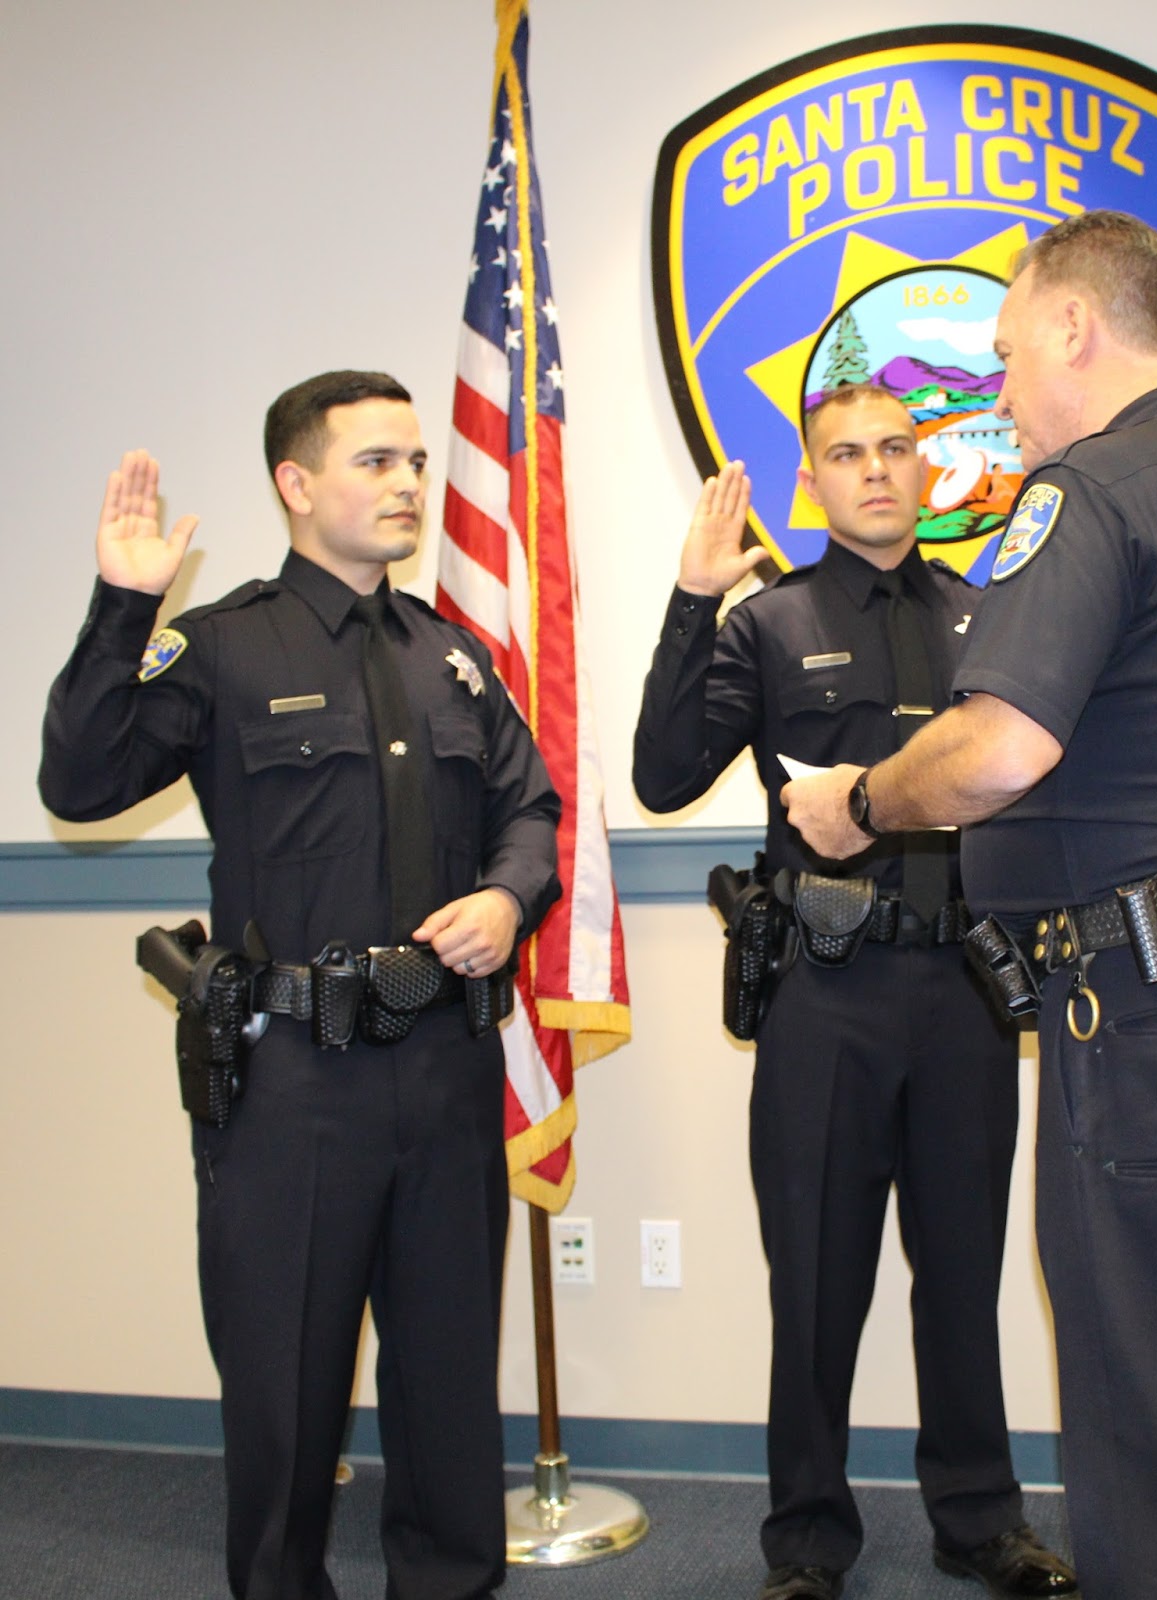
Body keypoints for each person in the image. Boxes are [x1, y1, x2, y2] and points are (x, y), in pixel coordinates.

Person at [782, 212, 1157, 1600]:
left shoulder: (1090, 491)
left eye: (1000, 352)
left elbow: (997, 750)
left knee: (1151, 1406)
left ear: (1073, 329)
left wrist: (858, 802)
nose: (994, 388)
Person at [40, 370, 562, 1600]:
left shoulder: (454, 653)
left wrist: (505, 896)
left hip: (441, 1065)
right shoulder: (221, 645)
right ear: (296, 482)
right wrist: (124, 604)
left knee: (443, 1377)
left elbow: (527, 808)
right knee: (283, 1387)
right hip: (292, 1078)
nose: (407, 485)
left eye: (417, 464)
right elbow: (79, 782)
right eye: (376, 462)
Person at [632, 386, 1077, 1600]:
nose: (874, 469)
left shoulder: (992, 613)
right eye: (846, 454)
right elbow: (662, 774)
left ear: (925, 467)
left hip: (964, 994)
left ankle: (980, 1520)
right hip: (822, 994)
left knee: (964, 1268)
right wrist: (690, 597)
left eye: (894, 447)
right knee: (816, 1279)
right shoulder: (768, 624)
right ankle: (808, 1540)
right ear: (811, 483)